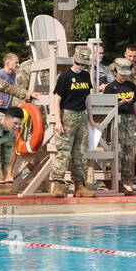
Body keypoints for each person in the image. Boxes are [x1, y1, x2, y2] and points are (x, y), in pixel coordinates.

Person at [49, 46, 96, 197]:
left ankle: (79, 185)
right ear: (74, 60)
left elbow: (87, 98)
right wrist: (58, 121)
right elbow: (57, 99)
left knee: (80, 152)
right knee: (64, 151)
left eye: (83, 64)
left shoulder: (86, 76)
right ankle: (57, 184)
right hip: (67, 115)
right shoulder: (65, 77)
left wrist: (91, 117)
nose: (80, 67)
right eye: (78, 63)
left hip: (81, 115)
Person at [104, 58, 136, 194]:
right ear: (115, 72)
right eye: (121, 74)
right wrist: (121, 102)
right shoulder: (110, 88)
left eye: (126, 74)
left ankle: (127, 181)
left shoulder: (131, 86)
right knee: (118, 152)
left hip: (130, 120)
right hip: (117, 120)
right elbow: (107, 108)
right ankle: (116, 181)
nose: (124, 76)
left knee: (130, 152)